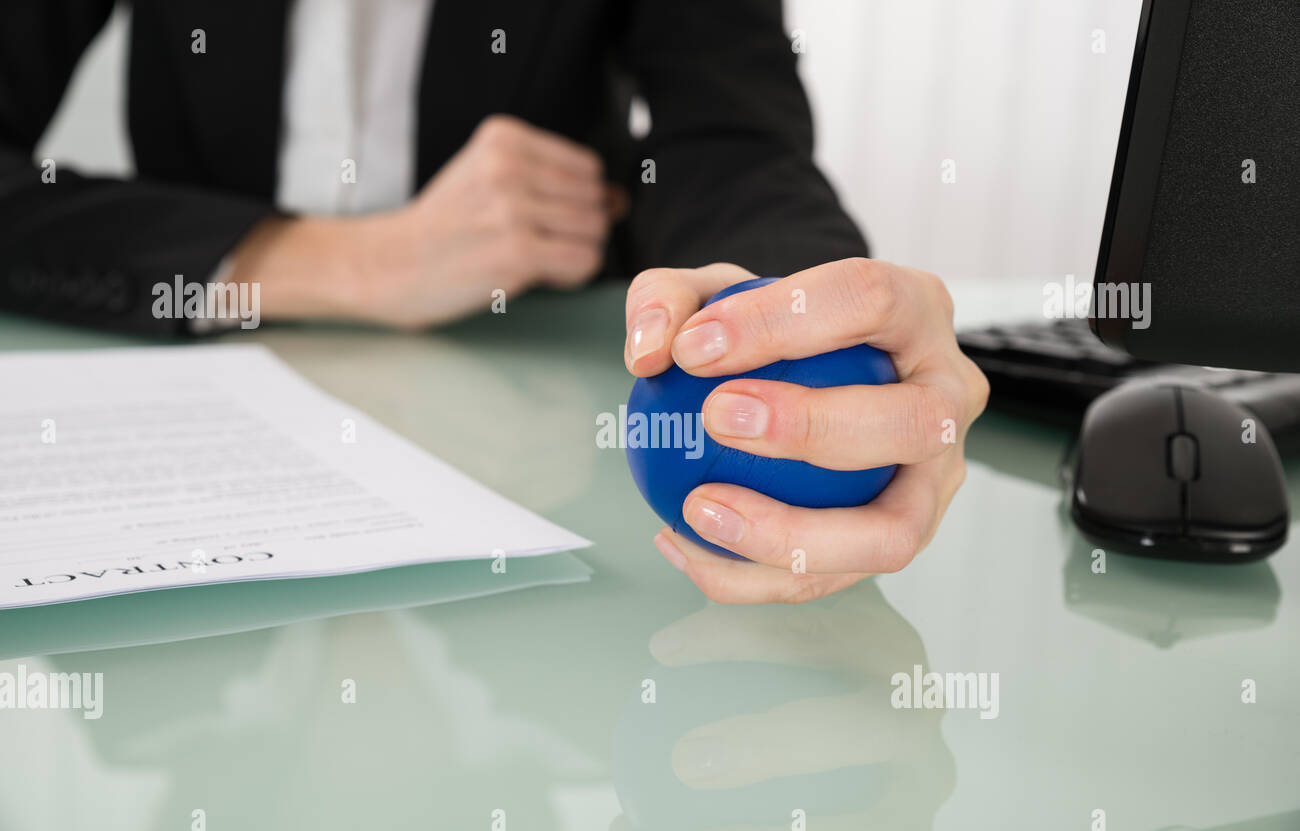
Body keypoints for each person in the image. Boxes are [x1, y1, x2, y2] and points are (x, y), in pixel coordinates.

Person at [0, 0, 987, 604]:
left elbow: (728, 140)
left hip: (537, 416)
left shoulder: (584, 716)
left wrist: (809, 313)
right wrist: (350, 263)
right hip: (198, 418)